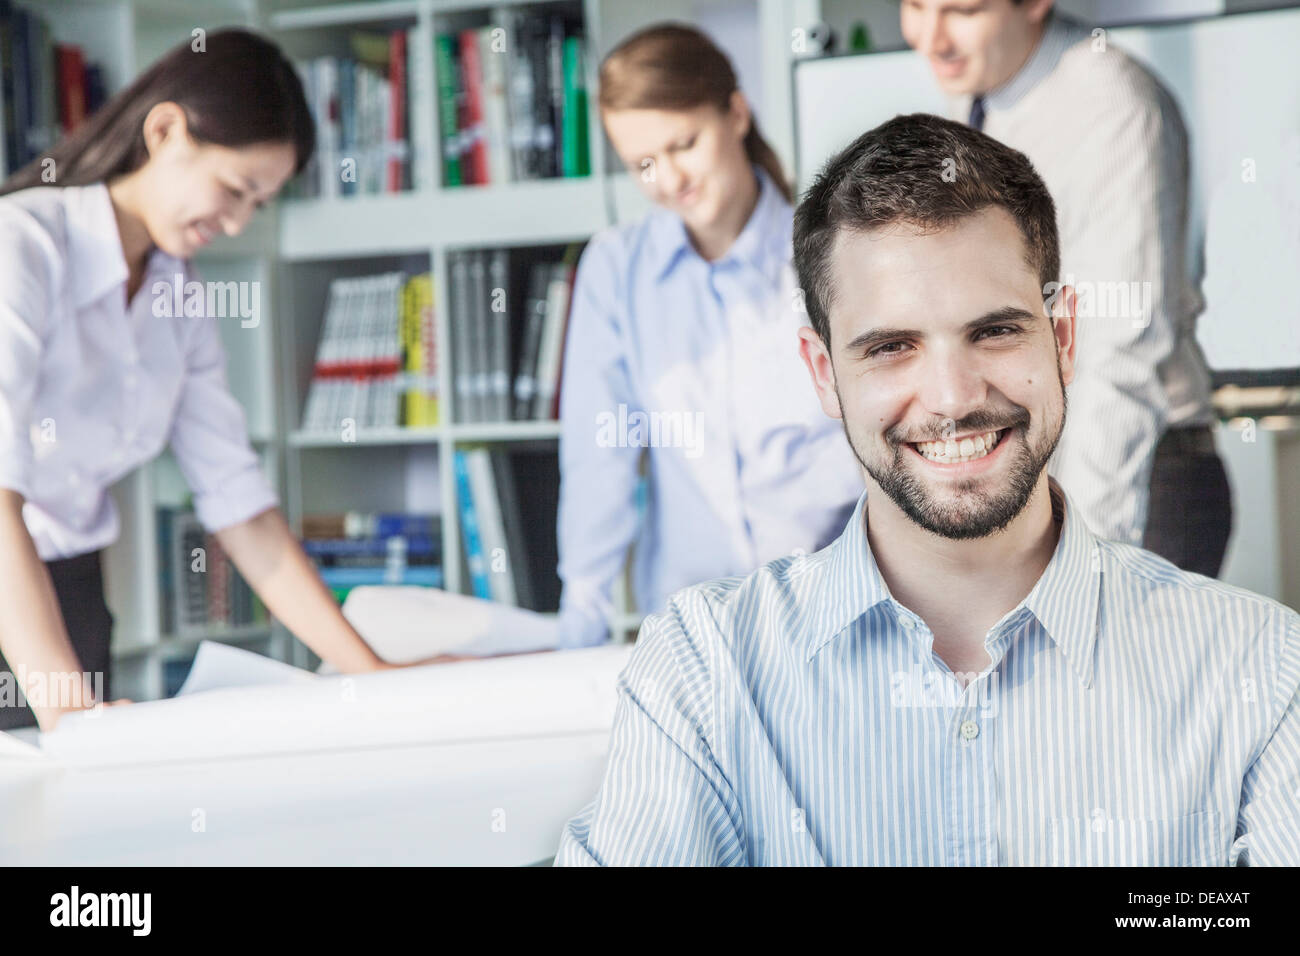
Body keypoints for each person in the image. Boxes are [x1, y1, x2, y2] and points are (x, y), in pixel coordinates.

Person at [555, 114, 1300, 866]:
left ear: (1063, 338)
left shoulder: (1259, 669)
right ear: (825, 376)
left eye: (996, 332)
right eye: (891, 347)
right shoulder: (703, 669)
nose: (951, 397)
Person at [0, 30, 409, 732]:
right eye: (234, 189)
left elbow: (239, 506)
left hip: (66, 587)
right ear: (164, 130)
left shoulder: (179, 294)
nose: (238, 221)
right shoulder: (22, 248)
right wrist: (67, 709)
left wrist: (375, 681)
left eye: (259, 202)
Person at [556, 24, 863, 649]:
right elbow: (599, 460)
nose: (668, 179)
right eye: (643, 163)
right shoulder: (616, 269)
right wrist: (578, 634)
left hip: (835, 625)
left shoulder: (835, 251)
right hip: (689, 638)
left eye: (683, 144)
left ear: (737, 113)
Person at [901, 0, 1231, 576]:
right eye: (913, 5)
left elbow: (1122, 350)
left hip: (1132, 479)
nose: (931, 38)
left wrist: (1086, 560)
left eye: (963, 11)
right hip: (1038, 479)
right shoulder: (980, 93)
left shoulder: (1111, 104)